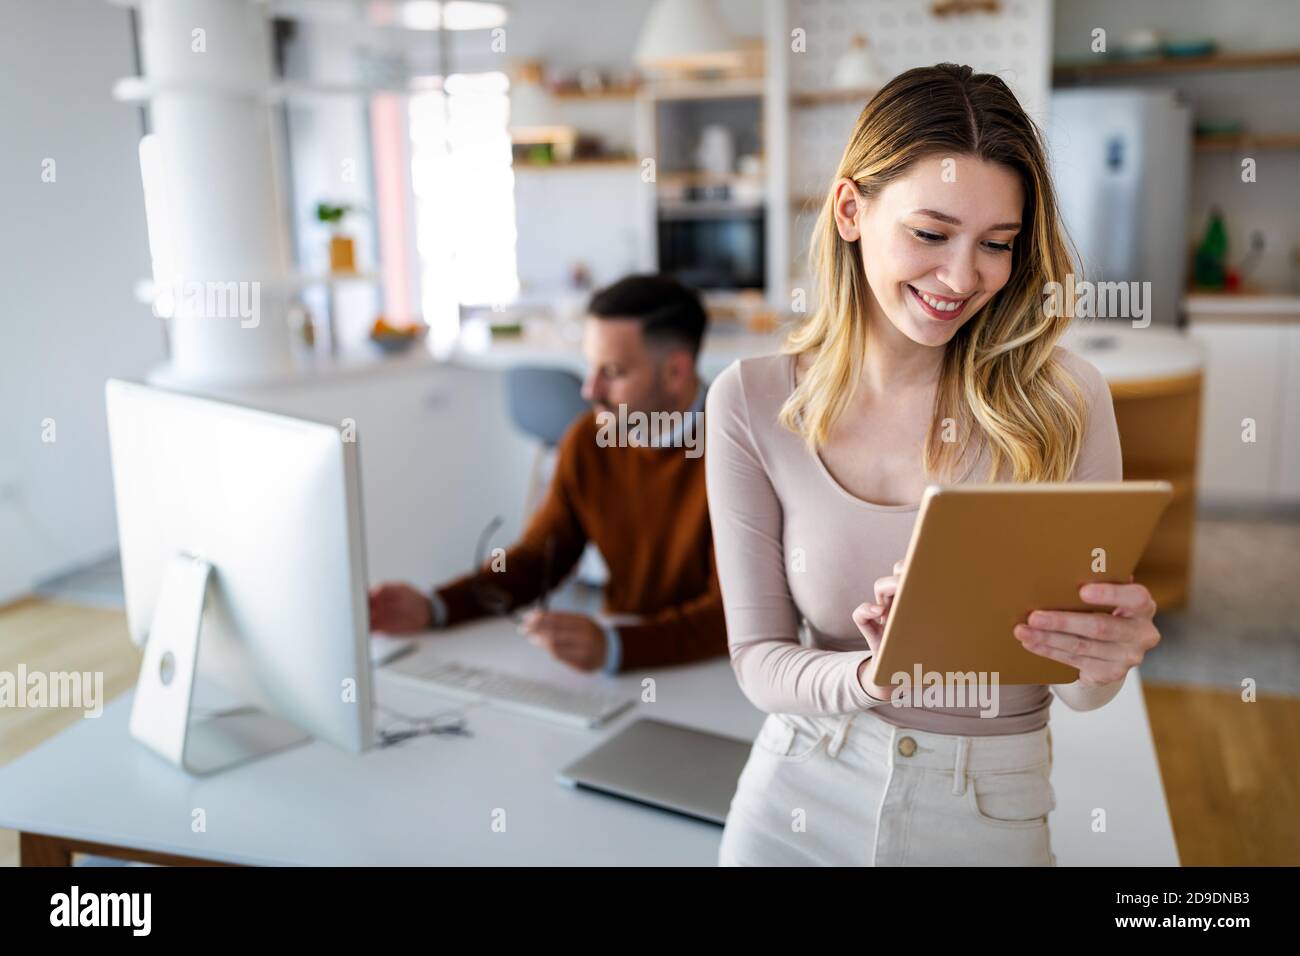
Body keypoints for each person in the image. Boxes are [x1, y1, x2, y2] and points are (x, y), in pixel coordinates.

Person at [705, 63, 1161, 866]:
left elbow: (1082, 690)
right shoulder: (750, 399)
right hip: (799, 788)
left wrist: (1103, 660)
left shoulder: (1065, 402)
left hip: (986, 803)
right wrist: (873, 677)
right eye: (930, 233)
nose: (962, 278)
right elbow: (759, 659)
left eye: (997, 245)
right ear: (851, 209)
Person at [369, 274, 727, 674]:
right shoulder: (590, 441)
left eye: (612, 372)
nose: (589, 390)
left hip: (716, 671)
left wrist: (615, 647)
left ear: (676, 373)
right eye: (590, 368)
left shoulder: (738, 449)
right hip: (631, 666)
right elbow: (538, 559)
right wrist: (435, 607)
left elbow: (732, 615)